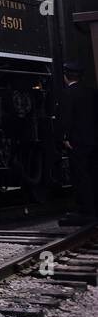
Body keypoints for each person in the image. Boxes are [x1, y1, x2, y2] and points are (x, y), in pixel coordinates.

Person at [57, 61, 98, 226]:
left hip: (78, 142)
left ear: (66, 77)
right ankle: (94, 208)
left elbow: (66, 118)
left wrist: (64, 138)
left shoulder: (68, 94)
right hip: (94, 140)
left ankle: (85, 211)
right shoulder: (92, 93)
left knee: (80, 176)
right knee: (94, 173)